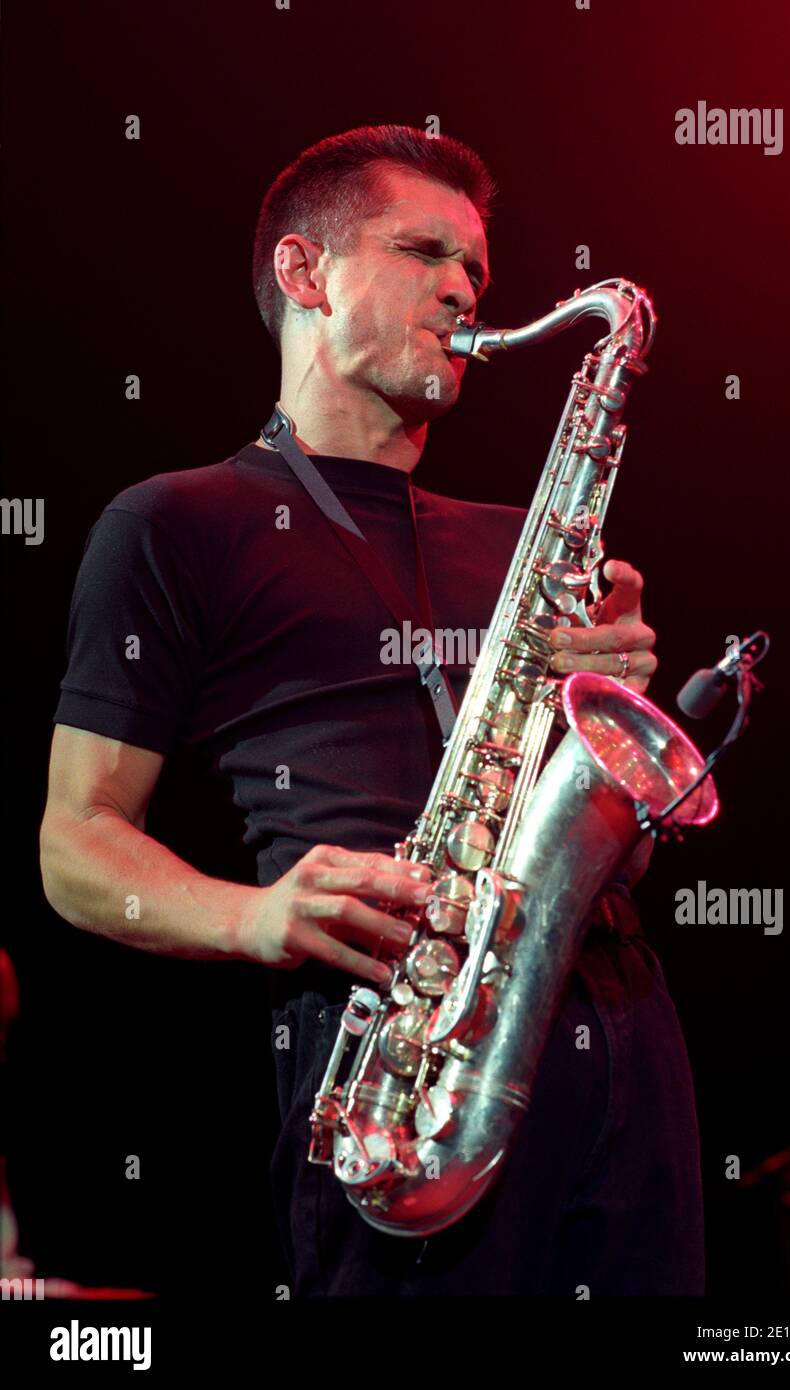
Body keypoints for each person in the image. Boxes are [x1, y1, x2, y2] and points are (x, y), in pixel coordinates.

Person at [40, 124, 704, 1297]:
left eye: (477, 271)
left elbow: (606, 856)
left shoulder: (523, 542)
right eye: (422, 251)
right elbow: (74, 843)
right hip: (398, 1059)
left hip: (613, 1031)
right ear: (304, 274)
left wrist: (604, 710)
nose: (462, 287)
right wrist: (256, 918)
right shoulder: (176, 522)